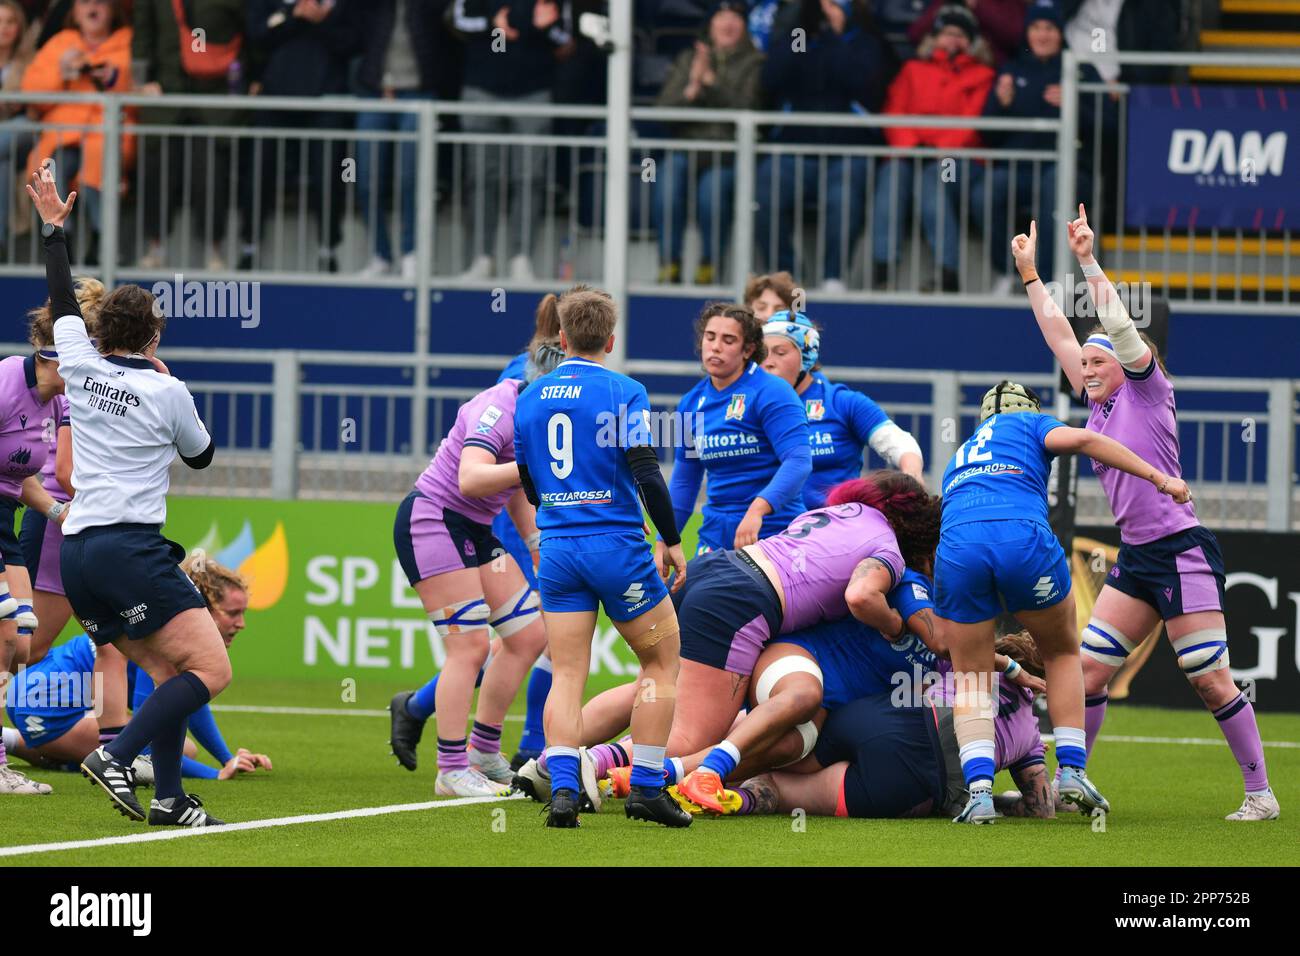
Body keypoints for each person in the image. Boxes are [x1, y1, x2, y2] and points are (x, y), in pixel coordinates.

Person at [1018, 206, 1280, 821]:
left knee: (1208, 679)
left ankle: (1260, 794)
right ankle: (1071, 784)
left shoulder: (1148, 389)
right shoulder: (1098, 406)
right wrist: (1031, 275)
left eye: (1098, 360)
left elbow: (1116, 323)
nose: (1086, 367)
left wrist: (1085, 259)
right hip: (1137, 557)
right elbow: (1062, 333)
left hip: (1181, 549)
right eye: (1085, 363)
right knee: (1086, 675)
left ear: (1131, 363)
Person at [30, 160, 229, 828]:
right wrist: (166, 381)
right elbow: (201, 457)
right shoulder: (167, 389)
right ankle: (118, 757)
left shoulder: (78, 363)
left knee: (172, 671)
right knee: (212, 668)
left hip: (79, 552)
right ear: (154, 334)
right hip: (128, 548)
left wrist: (54, 232)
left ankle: (170, 799)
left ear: (98, 332)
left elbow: (61, 303)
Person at [934, 378, 1190, 823]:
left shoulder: (961, 454)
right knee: (1061, 652)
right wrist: (1158, 476)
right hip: (1021, 535)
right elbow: (1088, 440)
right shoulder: (1032, 424)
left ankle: (978, 794)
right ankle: (1072, 771)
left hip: (958, 545)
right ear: (1029, 408)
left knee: (971, 676)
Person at [513, 287, 693, 828]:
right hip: (616, 548)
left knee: (567, 672)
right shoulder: (625, 391)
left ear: (562, 338)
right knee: (661, 662)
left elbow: (528, 483)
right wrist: (672, 537)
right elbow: (645, 472)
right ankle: (645, 787)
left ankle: (565, 792)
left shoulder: (529, 395)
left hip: (560, 550)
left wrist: (565, 510)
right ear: (610, 340)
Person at [386, 340, 559, 796]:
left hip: (474, 527)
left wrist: (535, 543)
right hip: (434, 519)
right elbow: (472, 477)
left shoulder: (538, 410)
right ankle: (451, 768)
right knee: (469, 649)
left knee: (529, 636)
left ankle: (484, 751)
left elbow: (519, 489)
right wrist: (527, 465)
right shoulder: (500, 406)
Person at [707, 632, 1054, 820]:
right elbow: (1040, 809)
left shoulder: (963, 663)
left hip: (886, 715)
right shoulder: (1031, 733)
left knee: (781, 748)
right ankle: (739, 799)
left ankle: (697, 761)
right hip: (912, 781)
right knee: (780, 788)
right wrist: (1001, 798)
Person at [4, 557, 272, 782]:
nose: (242, 623)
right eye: (233, 612)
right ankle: (33, 745)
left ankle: (24, 744)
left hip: (46, 698)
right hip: (40, 702)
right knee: (148, 750)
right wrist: (216, 774)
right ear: (206, 608)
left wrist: (229, 758)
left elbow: (191, 702)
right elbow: (150, 732)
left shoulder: (176, 630)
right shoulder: (165, 634)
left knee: (185, 750)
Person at [755, 0, 895, 292]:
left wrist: (834, 37)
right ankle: (786, 277)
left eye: (834, 4)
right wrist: (803, 33)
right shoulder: (799, 39)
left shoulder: (864, 42)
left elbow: (862, 83)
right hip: (795, 147)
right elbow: (771, 78)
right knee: (765, 192)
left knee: (843, 199)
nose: (826, 10)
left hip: (847, 149)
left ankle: (834, 276)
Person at [0, 280, 75, 795]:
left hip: (5, 518)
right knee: (4, 638)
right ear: (52, 357)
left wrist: (60, 513)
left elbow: (24, 481)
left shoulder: (55, 407)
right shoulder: (7, 381)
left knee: (20, 646)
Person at [978, 0, 1108, 291]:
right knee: (985, 193)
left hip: (1065, 167)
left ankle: (1050, 280)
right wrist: (1000, 104)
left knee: (1056, 192)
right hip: (1018, 168)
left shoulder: (1079, 70)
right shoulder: (1010, 70)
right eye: (1036, 27)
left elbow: (1108, 126)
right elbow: (987, 133)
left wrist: (1075, 104)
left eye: (1049, 27)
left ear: (1060, 33)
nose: (1042, 35)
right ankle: (1008, 273)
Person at [664, 302, 811, 557]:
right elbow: (685, 480)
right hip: (714, 536)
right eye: (710, 337)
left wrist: (757, 510)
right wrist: (665, 539)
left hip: (773, 532)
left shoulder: (773, 392)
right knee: (683, 597)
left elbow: (799, 461)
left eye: (728, 340)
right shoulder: (690, 402)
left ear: (748, 350)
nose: (716, 346)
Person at [871, 3, 993, 293]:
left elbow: (971, 124)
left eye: (961, 35)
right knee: (892, 178)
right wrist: (912, 145)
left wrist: (936, 147)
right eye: (947, 33)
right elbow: (894, 112)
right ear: (935, 37)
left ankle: (947, 271)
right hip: (912, 151)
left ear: (972, 42)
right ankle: (882, 270)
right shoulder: (912, 69)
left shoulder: (983, 74)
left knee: (932, 180)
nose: (953, 40)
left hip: (956, 158)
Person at [760, 309, 924, 508]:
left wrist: (912, 474)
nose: (768, 362)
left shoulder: (843, 402)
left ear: (806, 357)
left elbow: (899, 442)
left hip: (833, 528)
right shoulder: (750, 404)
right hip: (766, 528)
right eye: (762, 353)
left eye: (780, 352)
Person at [453, 0, 566, 282]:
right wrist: (492, 22)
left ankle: (522, 259)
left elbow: (565, 37)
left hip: (533, 91)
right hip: (482, 88)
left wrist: (547, 27)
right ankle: (481, 257)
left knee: (530, 177)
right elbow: (457, 20)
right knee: (480, 175)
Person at [653, 0, 764, 286]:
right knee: (665, 180)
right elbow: (663, 111)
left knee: (711, 194)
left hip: (727, 153)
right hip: (687, 146)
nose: (728, 24)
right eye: (721, 17)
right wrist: (692, 88)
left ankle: (709, 265)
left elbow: (750, 109)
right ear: (710, 25)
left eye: (735, 18)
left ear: (744, 26)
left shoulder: (756, 62)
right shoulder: (689, 58)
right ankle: (669, 263)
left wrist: (712, 83)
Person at [131, 0, 245, 270]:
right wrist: (140, 81)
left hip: (214, 99)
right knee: (158, 171)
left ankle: (214, 250)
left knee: (211, 175)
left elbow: (245, 33)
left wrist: (248, 80)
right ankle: (155, 247)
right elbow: (143, 34)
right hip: (166, 95)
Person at [20, 0, 134, 254]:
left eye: (100, 3)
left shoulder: (127, 41)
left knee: (99, 169)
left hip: (107, 134)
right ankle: (61, 240)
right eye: (84, 2)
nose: (92, 8)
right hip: (63, 132)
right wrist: (61, 72)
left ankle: (101, 242)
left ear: (112, 10)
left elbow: (134, 87)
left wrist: (111, 79)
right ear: (75, 12)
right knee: (51, 169)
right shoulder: (62, 42)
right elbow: (31, 90)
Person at [350, 0, 445, 279]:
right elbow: (352, 33)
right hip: (376, 93)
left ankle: (411, 253)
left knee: (410, 179)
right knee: (366, 179)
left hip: (418, 94)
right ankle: (380, 254)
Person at [0, 0, 34, 258]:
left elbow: (28, 103)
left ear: (19, 27)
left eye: (10, 22)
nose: (4, 28)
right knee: (1, 166)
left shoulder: (30, 59)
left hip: (22, 128)